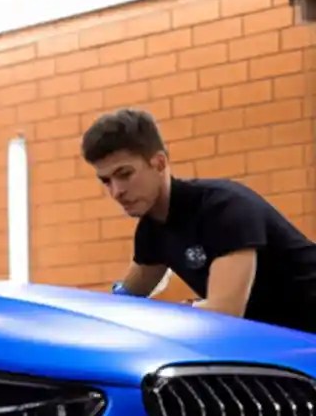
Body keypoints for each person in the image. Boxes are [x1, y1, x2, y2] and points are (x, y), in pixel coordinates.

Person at [81, 107, 316, 334]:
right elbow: (123, 302)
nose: (116, 192)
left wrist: (162, 316)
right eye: (106, 181)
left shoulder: (225, 208)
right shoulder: (152, 229)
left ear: (159, 163)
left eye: (124, 174)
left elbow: (224, 314)